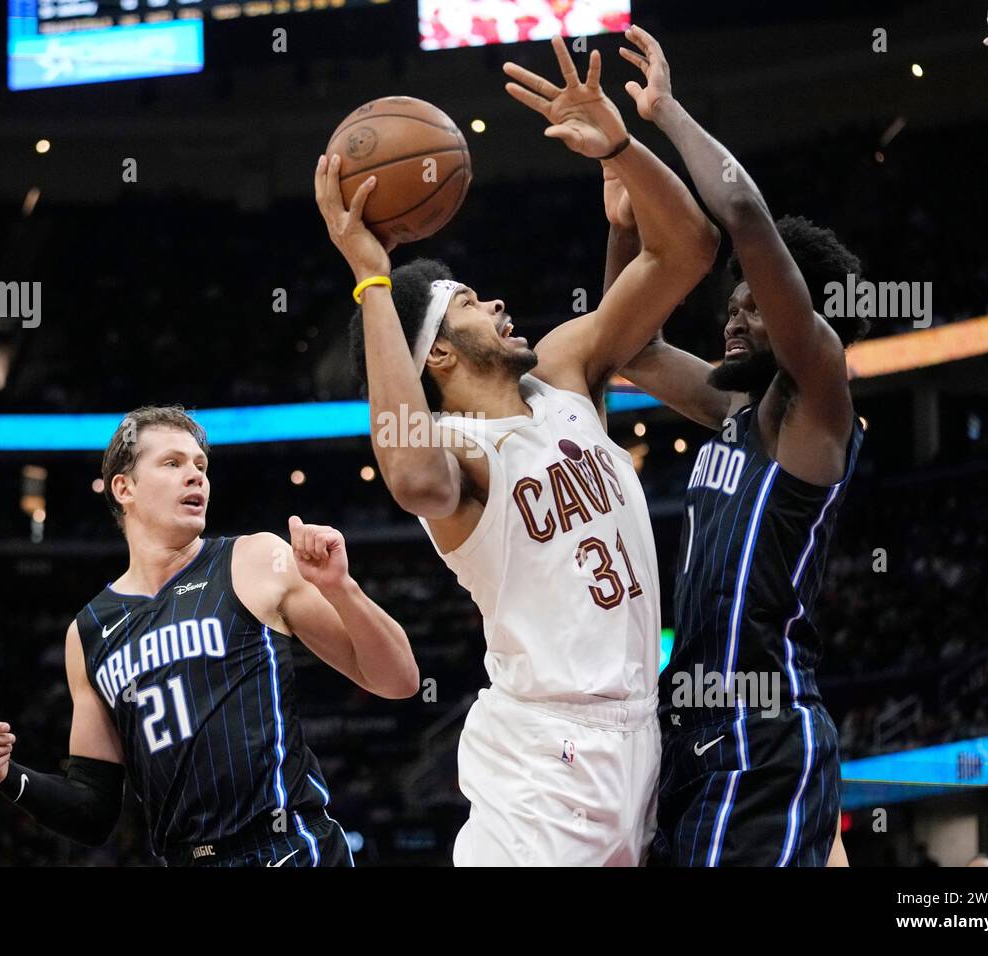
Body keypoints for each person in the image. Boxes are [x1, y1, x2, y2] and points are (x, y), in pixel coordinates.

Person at [315, 37, 718, 865]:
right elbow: (407, 469)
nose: (496, 301)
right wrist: (372, 278)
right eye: (467, 301)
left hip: (643, 735)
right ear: (437, 354)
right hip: (543, 756)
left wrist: (621, 148)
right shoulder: (458, 453)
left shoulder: (566, 373)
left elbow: (688, 251)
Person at [610, 27, 869, 866]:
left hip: (763, 736)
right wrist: (623, 215)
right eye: (732, 303)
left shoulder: (815, 409)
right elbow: (628, 348)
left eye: (754, 304)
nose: (733, 315)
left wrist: (663, 116)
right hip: (688, 738)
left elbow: (747, 216)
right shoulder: (728, 406)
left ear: (803, 314)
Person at [0, 404, 418, 867]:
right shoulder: (88, 632)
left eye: (200, 466)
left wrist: (342, 589)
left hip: (290, 847)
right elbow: (92, 811)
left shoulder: (255, 559)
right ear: (124, 487)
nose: (195, 476)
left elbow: (399, 680)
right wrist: (5, 776)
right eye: (172, 463)